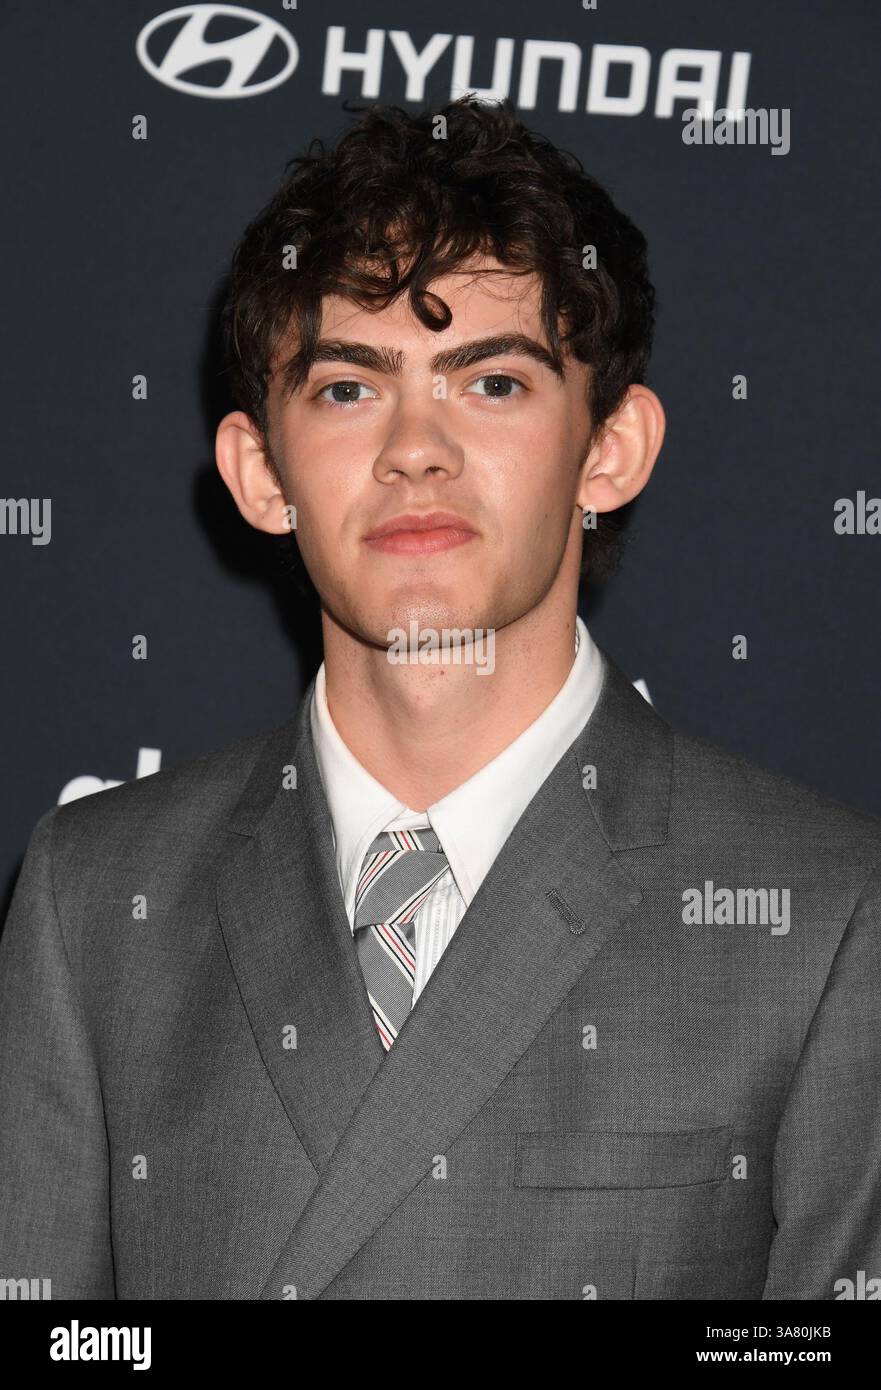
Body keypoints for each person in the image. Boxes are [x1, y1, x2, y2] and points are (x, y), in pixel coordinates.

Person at [1, 96, 879, 1301]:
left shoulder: (823, 917)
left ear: (609, 450)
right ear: (261, 474)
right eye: (348, 389)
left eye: (494, 383)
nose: (416, 446)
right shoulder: (92, 900)